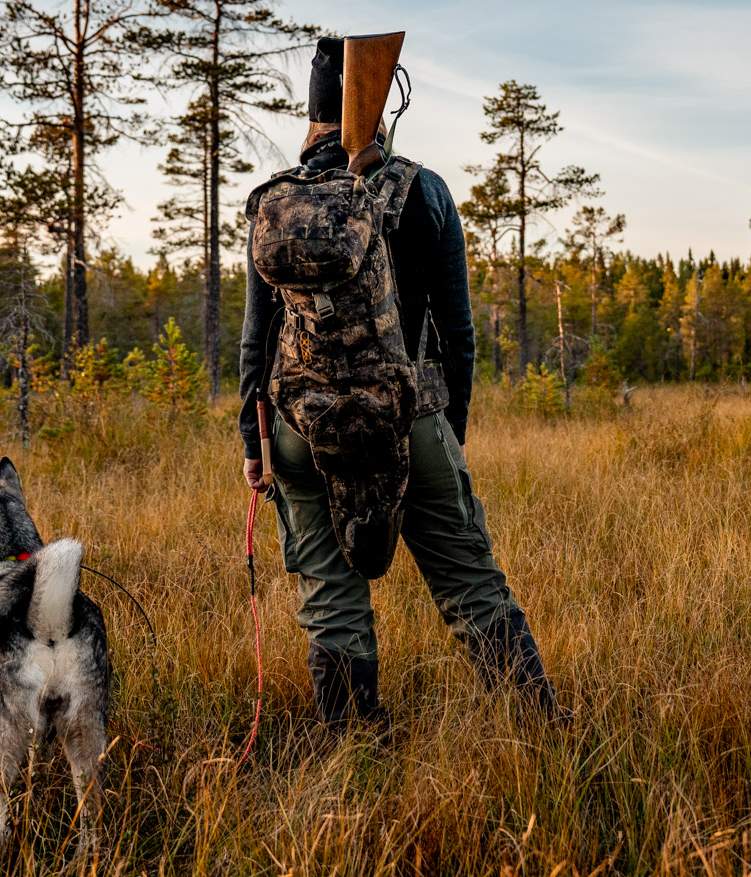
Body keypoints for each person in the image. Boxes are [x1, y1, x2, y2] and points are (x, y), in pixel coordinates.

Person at [238, 36, 562, 728]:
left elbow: (255, 342)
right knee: (471, 582)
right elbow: (460, 335)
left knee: (330, 594)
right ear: (383, 101)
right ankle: (541, 734)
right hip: (411, 419)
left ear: (311, 113)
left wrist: (252, 440)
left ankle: (354, 751)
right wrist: (448, 437)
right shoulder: (427, 190)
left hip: (299, 428)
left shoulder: (275, 202)